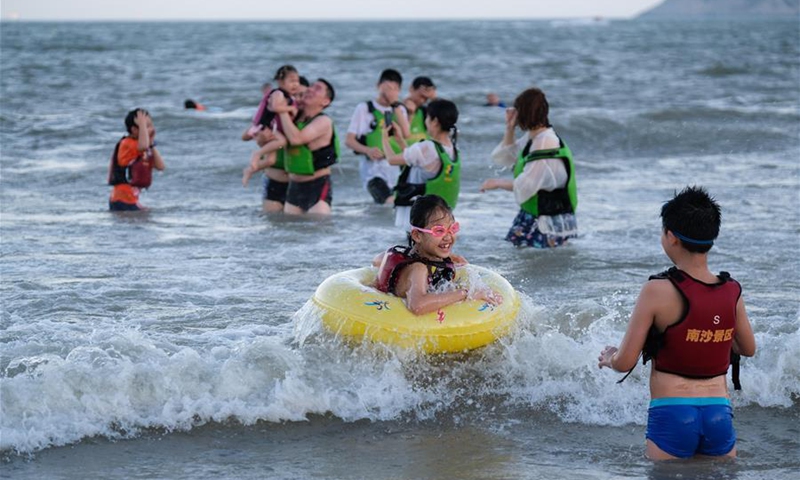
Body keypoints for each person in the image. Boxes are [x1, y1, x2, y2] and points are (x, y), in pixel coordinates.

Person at [598, 186, 757, 460]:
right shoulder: (732, 290)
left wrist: (610, 357)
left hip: (672, 411)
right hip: (719, 411)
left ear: (671, 237)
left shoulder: (656, 290)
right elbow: (748, 348)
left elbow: (624, 362)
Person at [480, 88, 578, 248]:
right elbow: (506, 156)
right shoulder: (536, 136)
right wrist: (510, 128)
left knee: (532, 259)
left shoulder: (544, 142)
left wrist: (497, 183)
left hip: (547, 217)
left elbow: (527, 185)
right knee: (522, 255)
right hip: (537, 211)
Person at [371, 195, 502, 315]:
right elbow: (417, 306)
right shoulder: (418, 269)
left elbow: (378, 260)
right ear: (417, 235)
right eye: (439, 231)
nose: (448, 237)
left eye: (452, 228)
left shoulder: (417, 258)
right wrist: (467, 293)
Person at [382, 99, 461, 231]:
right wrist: (400, 139)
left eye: (427, 117)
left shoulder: (427, 147)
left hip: (420, 215)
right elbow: (416, 159)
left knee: (414, 242)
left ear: (435, 121)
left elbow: (391, 159)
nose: (425, 121)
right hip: (439, 213)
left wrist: (384, 137)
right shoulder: (452, 147)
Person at [345, 69, 411, 205]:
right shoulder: (364, 108)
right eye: (386, 88)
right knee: (388, 201)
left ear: (399, 91)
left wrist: (395, 105)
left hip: (394, 169)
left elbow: (406, 134)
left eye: (394, 89)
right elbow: (349, 140)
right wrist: (367, 150)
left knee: (392, 204)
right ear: (378, 86)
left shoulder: (399, 110)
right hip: (372, 170)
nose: (389, 93)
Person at [273, 78, 338, 216]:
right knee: (291, 228)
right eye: (311, 86)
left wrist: (282, 111)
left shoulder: (324, 121)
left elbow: (297, 139)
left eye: (317, 88)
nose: (310, 89)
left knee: (317, 227)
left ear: (325, 101)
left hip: (317, 186)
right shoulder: (293, 118)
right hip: (294, 187)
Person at [241, 65, 301, 212]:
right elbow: (275, 108)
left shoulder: (291, 99)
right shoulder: (279, 94)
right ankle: (256, 155)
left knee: (270, 160)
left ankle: (250, 170)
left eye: (297, 81)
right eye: (291, 81)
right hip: (266, 126)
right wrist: (291, 109)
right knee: (281, 142)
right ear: (280, 82)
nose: (295, 84)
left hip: (269, 129)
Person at [107, 108, 165, 211]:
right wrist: (143, 126)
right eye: (147, 126)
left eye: (151, 125)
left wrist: (151, 144)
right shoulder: (127, 143)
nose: (151, 129)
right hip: (121, 199)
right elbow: (143, 146)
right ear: (134, 130)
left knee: (147, 215)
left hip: (129, 199)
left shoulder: (143, 147)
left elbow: (160, 166)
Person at [402, 76, 437, 145]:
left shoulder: (424, 111)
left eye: (426, 98)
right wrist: (411, 114)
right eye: (421, 96)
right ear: (411, 89)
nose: (422, 101)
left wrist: (434, 100)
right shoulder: (398, 109)